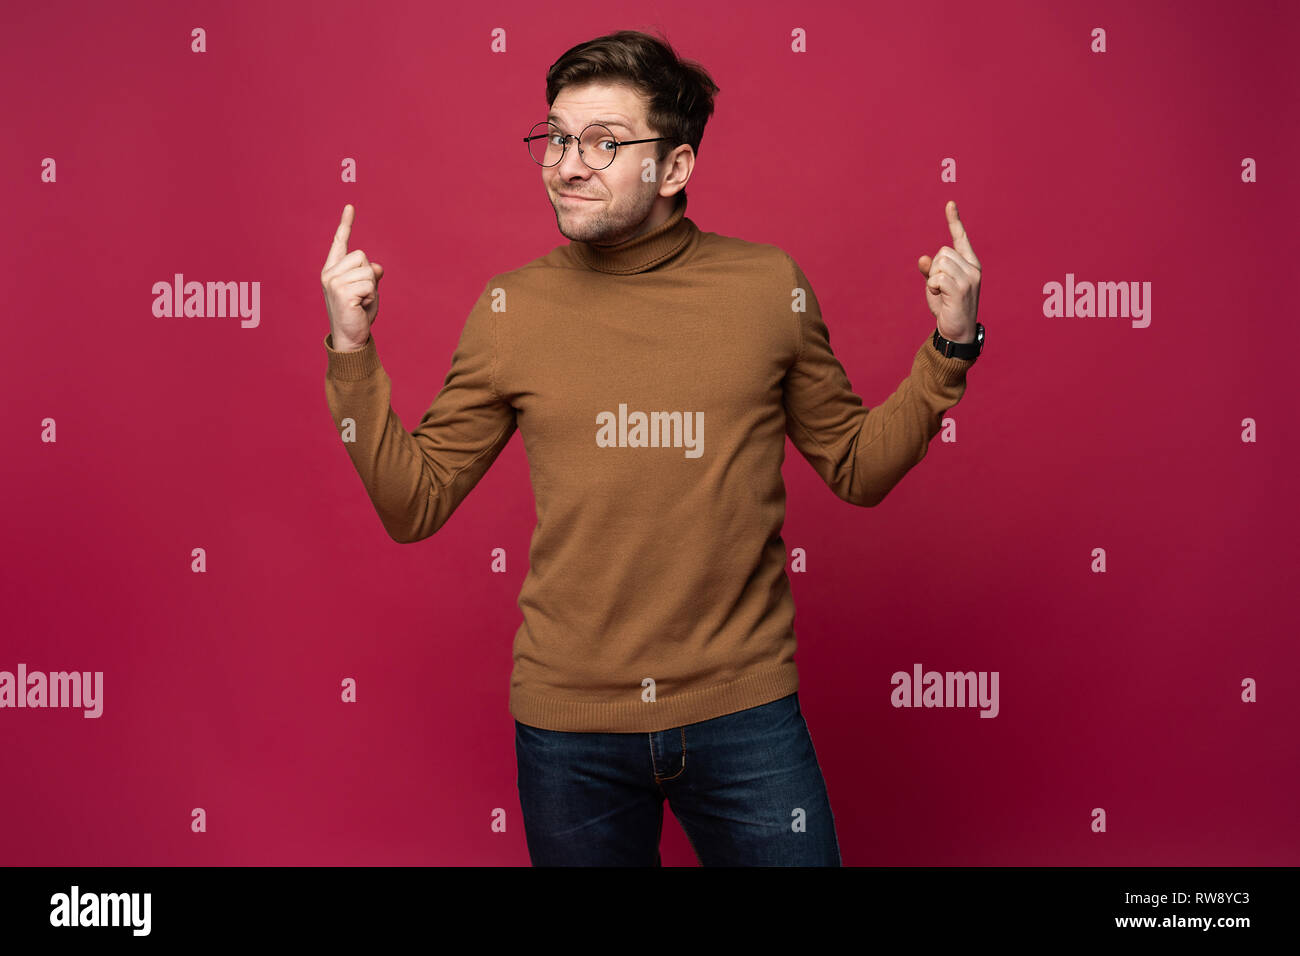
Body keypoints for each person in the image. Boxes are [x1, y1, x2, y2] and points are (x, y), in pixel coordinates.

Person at [319, 29, 984, 867]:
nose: (567, 164)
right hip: (570, 732)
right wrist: (351, 349)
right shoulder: (509, 310)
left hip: (745, 715)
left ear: (674, 169)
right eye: (557, 138)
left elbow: (855, 467)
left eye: (604, 143)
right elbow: (412, 504)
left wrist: (948, 348)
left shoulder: (765, 287)